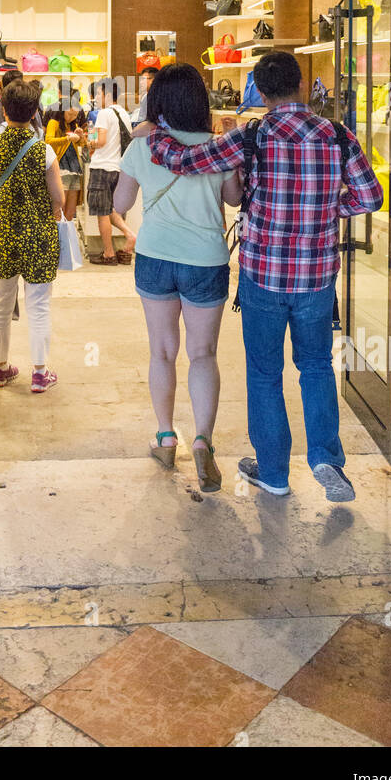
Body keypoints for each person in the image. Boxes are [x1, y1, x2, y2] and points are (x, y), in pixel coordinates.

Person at [144, 51, 384, 502]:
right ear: (300, 83)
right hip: (316, 276)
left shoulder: (253, 134)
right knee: (315, 366)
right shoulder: (337, 135)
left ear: (260, 90)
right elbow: (371, 197)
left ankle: (273, 472)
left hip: (262, 275)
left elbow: (185, 161)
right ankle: (327, 460)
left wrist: (153, 134)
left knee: (264, 372)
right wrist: (329, 210)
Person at [114, 65, 241, 492]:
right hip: (205, 259)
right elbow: (235, 198)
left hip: (155, 255)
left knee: (162, 351)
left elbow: (120, 200)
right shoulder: (217, 148)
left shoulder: (142, 146)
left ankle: (166, 437)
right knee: (203, 354)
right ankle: (202, 440)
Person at [0, 79, 64, 393]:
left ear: (3, 109)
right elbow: (58, 197)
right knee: (39, 305)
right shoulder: (44, 151)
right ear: (34, 113)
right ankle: (40, 373)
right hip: (37, 236)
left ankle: (0, 369)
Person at [86, 78, 136, 266]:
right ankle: (130, 235)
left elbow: (100, 141)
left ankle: (108, 253)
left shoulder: (104, 113)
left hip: (102, 167)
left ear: (107, 95)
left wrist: (88, 141)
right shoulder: (123, 113)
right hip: (117, 168)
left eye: (98, 93)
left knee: (102, 212)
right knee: (110, 209)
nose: (97, 97)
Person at [44, 102, 88, 222]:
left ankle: (67, 234)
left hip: (74, 168)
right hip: (60, 166)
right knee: (59, 206)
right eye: (70, 114)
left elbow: (82, 144)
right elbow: (48, 141)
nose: (72, 117)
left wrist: (80, 136)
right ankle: (58, 236)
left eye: (75, 115)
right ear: (63, 110)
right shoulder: (54, 123)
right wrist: (67, 138)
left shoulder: (74, 125)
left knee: (71, 209)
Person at [130, 64, 160, 135]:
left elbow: (144, 121)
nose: (141, 82)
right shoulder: (148, 96)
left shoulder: (149, 97)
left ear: (153, 80)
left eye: (143, 79)